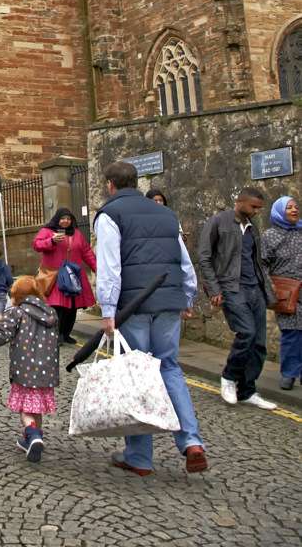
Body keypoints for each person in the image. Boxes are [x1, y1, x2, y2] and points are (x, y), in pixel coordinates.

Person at [95, 160, 207, 476]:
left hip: (134, 306)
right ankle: (191, 441)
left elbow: (110, 267)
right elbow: (184, 261)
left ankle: (139, 457)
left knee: (136, 375)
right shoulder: (167, 214)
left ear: (110, 185)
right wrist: (186, 297)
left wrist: (107, 311)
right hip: (168, 301)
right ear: (137, 183)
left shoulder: (109, 215)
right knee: (169, 368)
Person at [198, 185, 277, 410]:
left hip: (256, 290)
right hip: (232, 288)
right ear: (241, 202)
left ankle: (247, 390)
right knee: (247, 332)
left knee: (259, 343)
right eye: (254, 207)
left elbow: (257, 261)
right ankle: (229, 377)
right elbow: (204, 258)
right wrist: (214, 290)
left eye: (259, 208)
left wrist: (267, 290)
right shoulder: (218, 222)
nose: (257, 211)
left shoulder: (253, 227)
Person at [0, 276, 59, 463]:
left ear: (17, 295)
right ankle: (33, 439)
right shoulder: (51, 314)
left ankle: (32, 433)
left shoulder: (17, 313)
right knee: (36, 408)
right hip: (46, 372)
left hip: (25, 371)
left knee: (25, 409)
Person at [32, 207, 97, 344]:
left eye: (68, 219)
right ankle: (56, 334)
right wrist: (51, 241)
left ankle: (66, 334)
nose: (65, 221)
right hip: (54, 275)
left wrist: (97, 268)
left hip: (73, 275)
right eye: (63, 218)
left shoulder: (77, 234)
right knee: (58, 307)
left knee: (72, 307)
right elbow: (37, 245)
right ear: (57, 219)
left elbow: (87, 252)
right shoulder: (47, 231)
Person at [261, 196, 302, 390]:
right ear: (279, 211)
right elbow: (262, 264)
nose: (294, 210)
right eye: (289, 208)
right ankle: (289, 373)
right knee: (291, 333)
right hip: (286, 291)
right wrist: (272, 288)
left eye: (296, 207)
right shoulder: (270, 236)